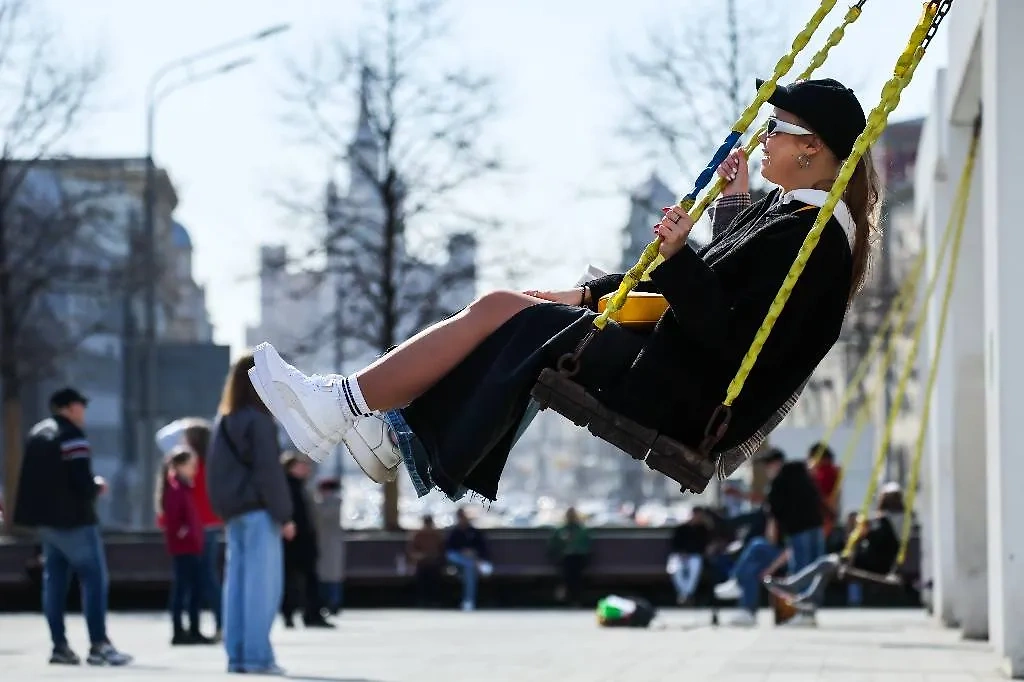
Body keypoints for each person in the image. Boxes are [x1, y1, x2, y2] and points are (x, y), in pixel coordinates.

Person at [247, 77, 878, 505]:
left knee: (514, 323)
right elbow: (732, 288)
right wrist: (590, 292)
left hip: (681, 390)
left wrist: (680, 255)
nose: (765, 138)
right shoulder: (796, 221)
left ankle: (357, 414)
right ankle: (373, 419)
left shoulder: (814, 239)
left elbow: (723, 326)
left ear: (812, 149)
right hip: (669, 361)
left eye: (779, 128)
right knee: (505, 305)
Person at [12, 387, 133, 666]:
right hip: (76, 521)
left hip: (46, 524)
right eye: (81, 405)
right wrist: (96, 486)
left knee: (53, 582)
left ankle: (59, 646)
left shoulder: (38, 433)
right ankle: (99, 645)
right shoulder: (72, 437)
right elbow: (80, 480)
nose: (84, 410)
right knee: (93, 579)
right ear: (68, 407)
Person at [207, 354, 294, 676]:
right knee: (262, 588)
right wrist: (285, 516)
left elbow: (214, 473)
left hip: (233, 514)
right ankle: (258, 657)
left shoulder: (224, 420)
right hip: (259, 513)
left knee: (237, 589)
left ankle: (237, 656)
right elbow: (268, 473)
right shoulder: (260, 420)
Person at [714, 448, 825, 626]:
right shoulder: (802, 477)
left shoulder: (780, 483)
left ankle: (741, 590)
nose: (766, 471)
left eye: (767, 466)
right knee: (810, 571)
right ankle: (806, 613)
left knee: (798, 569)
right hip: (814, 530)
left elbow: (772, 515)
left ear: (774, 464)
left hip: (795, 537)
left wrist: (772, 565)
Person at [764, 482, 906, 614]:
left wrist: (865, 531)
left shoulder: (889, 521)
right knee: (828, 564)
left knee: (828, 563)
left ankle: (795, 586)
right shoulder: (887, 520)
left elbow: (881, 539)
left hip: (875, 565)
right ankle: (810, 596)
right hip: (869, 560)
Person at [156, 417, 223, 640]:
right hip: (207, 525)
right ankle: (218, 623)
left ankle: (194, 628)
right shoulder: (214, 463)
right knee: (206, 578)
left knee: (193, 580)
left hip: (193, 527)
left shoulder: (185, 465)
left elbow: (162, 436)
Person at [280, 451, 334, 629]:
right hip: (295, 541)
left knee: (301, 579)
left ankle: (305, 613)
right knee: (297, 580)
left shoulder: (300, 487)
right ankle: (305, 614)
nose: (306, 469)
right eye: (301, 466)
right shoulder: (290, 488)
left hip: (301, 541)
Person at [445, 508, 492, 611]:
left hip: (472, 560)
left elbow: (482, 548)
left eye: (464, 517)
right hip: (457, 559)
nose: (462, 520)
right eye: (460, 517)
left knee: (469, 569)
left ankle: (469, 601)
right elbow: (449, 549)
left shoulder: (474, 532)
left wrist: (473, 553)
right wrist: (462, 552)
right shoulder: (454, 532)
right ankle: (469, 601)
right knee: (454, 557)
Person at [313, 478, 346, 615]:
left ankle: (332, 603)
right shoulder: (333, 502)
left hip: (329, 544)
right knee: (330, 576)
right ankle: (331, 602)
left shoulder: (331, 503)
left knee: (330, 577)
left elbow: (322, 516)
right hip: (328, 544)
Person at [547, 507, 592, 607]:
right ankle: (569, 599)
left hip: (577, 558)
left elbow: (585, 546)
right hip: (567, 559)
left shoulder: (580, 530)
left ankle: (574, 599)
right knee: (568, 578)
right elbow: (553, 545)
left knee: (575, 578)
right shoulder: (562, 530)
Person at [667, 507, 712, 605]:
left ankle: (685, 595)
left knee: (695, 568)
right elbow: (674, 544)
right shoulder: (681, 528)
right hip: (679, 555)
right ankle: (687, 595)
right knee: (675, 569)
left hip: (694, 555)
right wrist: (682, 553)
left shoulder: (703, 529)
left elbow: (703, 546)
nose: (698, 518)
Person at [406, 514, 446, 607]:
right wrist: (419, 556)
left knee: (435, 573)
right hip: (422, 563)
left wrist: (436, 556)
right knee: (422, 573)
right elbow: (412, 551)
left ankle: (435, 600)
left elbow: (442, 550)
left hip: (435, 562)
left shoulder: (437, 535)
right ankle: (422, 600)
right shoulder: (418, 535)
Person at [807, 442, 841, 537]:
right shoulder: (832, 471)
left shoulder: (825, 472)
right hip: (826, 515)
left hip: (824, 516)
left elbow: (819, 492)